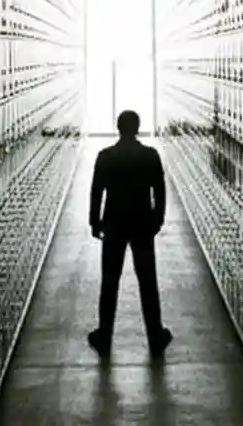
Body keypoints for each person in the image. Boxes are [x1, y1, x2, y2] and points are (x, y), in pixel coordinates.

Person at [86, 110, 174, 356]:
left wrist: (95, 222)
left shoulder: (106, 156)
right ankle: (155, 335)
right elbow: (160, 191)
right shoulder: (149, 155)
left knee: (109, 282)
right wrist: (158, 219)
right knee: (148, 281)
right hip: (142, 224)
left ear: (118, 127)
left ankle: (104, 335)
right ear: (137, 128)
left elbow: (96, 191)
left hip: (114, 224)